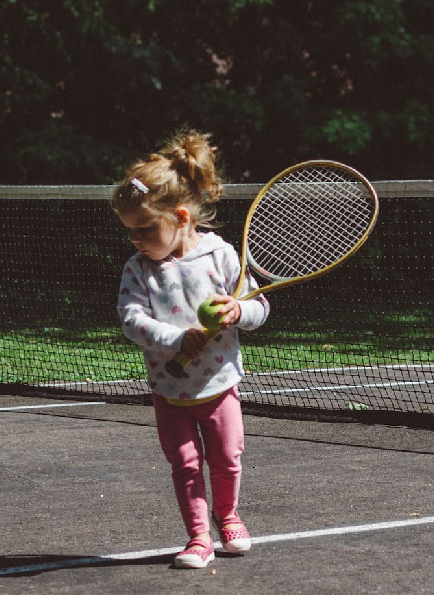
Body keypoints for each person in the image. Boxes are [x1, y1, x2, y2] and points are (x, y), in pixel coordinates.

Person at [113, 130, 269, 569]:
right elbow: (131, 321)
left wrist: (239, 312)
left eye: (144, 228)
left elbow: (259, 306)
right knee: (185, 465)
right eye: (130, 231)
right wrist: (177, 339)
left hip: (219, 386)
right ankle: (198, 537)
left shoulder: (220, 256)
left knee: (227, 459)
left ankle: (228, 515)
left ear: (181, 216)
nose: (135, 239)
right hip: (169, 391)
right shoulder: (138, 269)